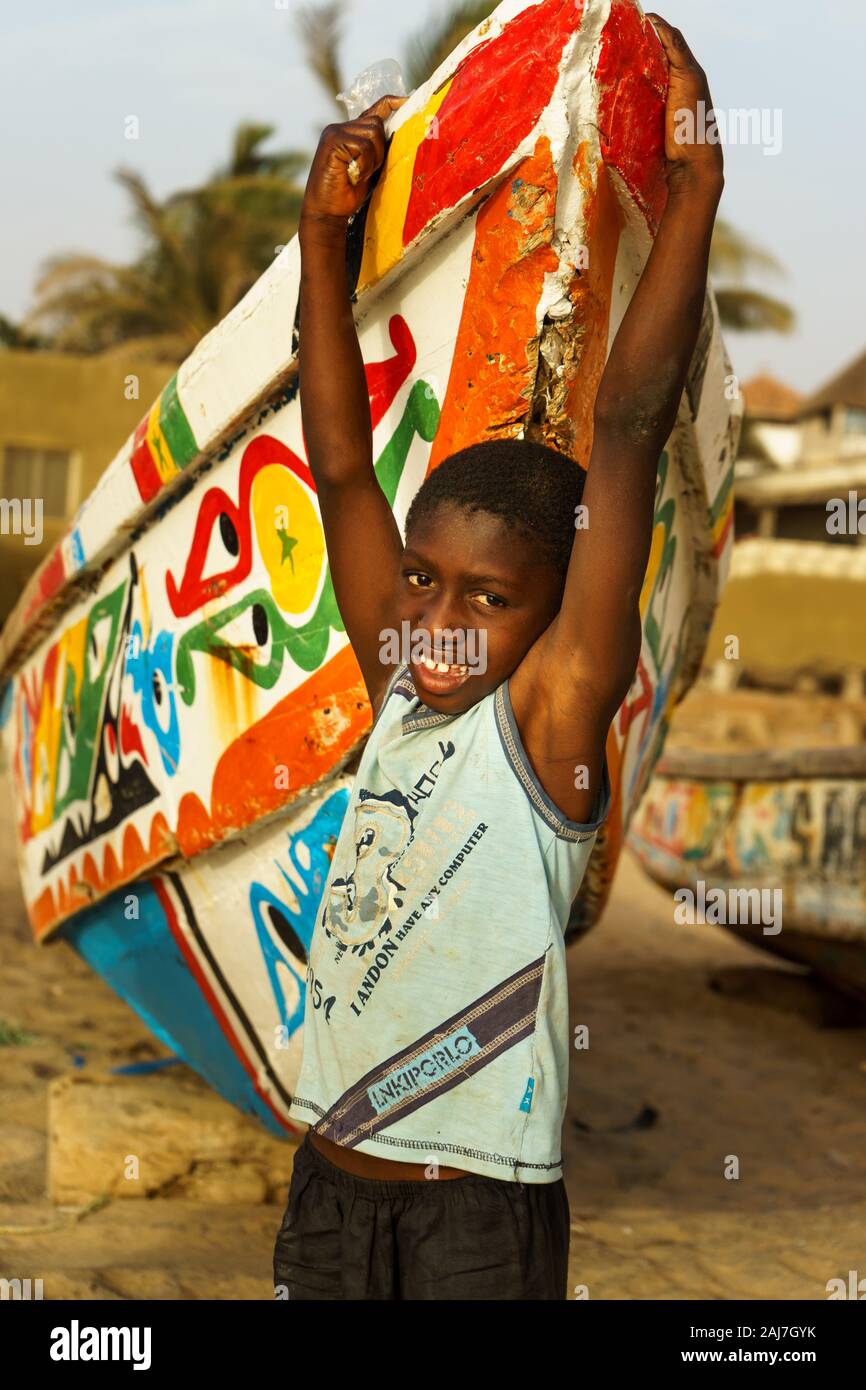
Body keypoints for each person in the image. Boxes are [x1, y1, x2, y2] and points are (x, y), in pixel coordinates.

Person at [273, 14, 724, 1300]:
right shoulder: (400, 684)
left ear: (551, 617)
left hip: (471, 1222)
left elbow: (628, 427)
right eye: (424, 579)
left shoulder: (545, 723)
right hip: (324, 1190)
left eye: (488, 597)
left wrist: (693, 191)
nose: (438, 615)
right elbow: (345, 464)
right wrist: (320, 238)